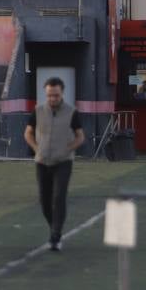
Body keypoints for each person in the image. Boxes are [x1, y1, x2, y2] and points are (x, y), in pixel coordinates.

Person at [23, 77, 85, 252]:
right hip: (42, 162)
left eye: (56, 95)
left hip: (63, 162)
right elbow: (27, 133)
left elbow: (80, 136)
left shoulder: (72, 112)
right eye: (49, 95)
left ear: (62, 93)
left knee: (59, 197)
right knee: (44, 200)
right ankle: (54, 226)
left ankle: (56, 235)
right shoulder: (38, 111)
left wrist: (68, 149)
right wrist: (36, 148)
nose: (52, 98)